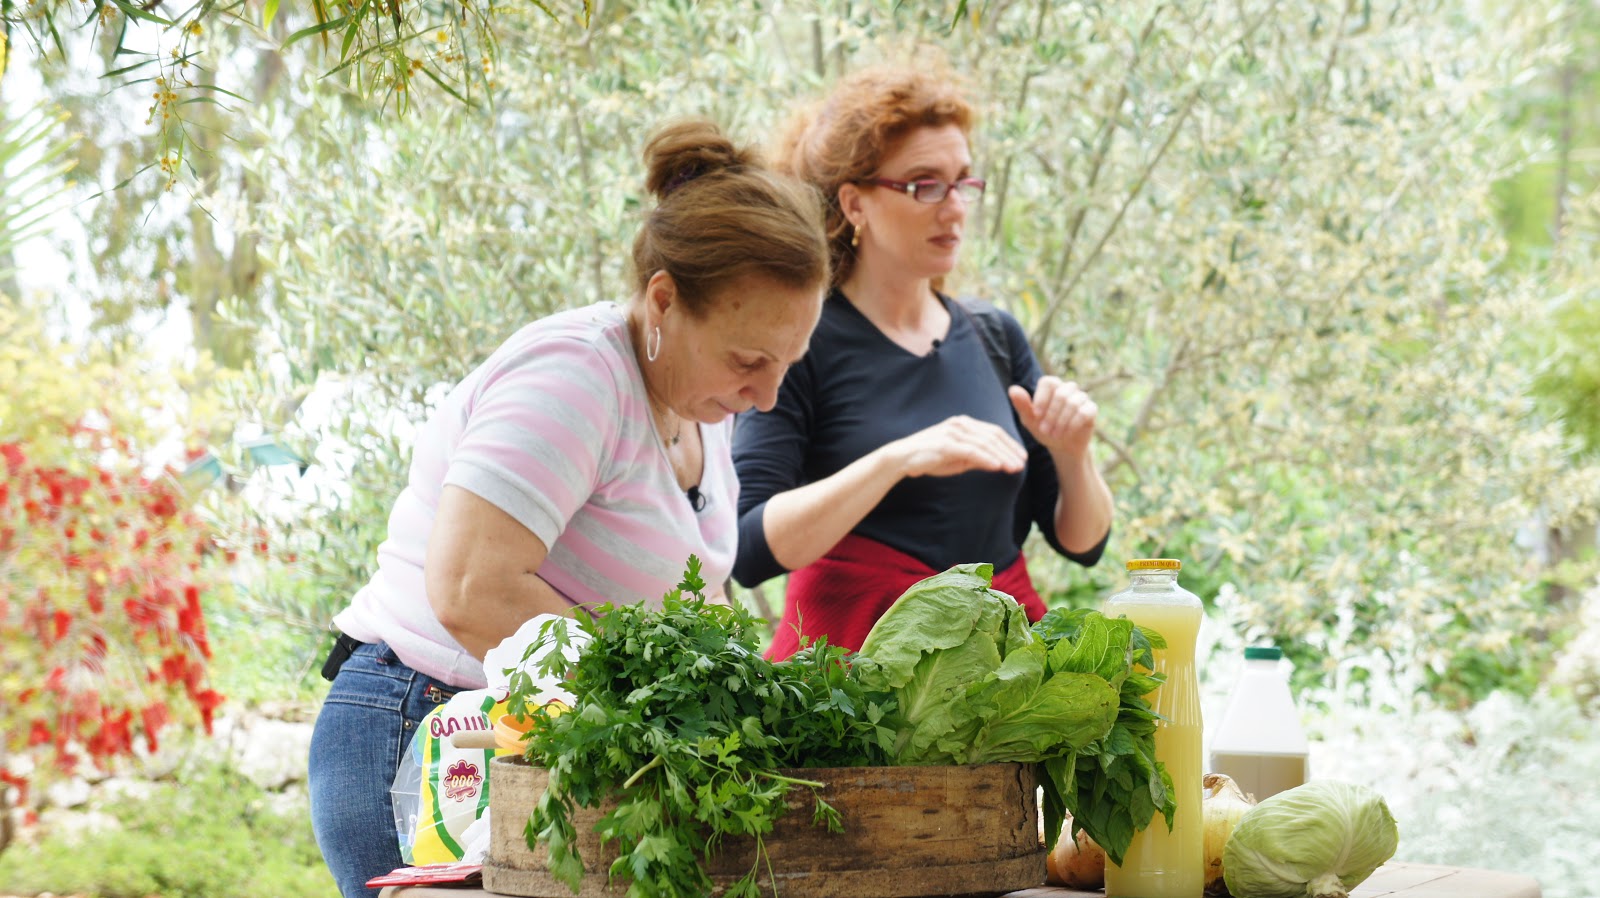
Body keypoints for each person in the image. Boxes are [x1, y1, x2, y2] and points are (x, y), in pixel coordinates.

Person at [308, 119, 829, 897]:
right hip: (434, 722)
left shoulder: (699, 407)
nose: (767, 394)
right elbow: (469, 589)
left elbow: (700, 600)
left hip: (542, 738)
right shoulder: (575, 378)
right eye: (749, 360)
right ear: (663, 301)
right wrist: (667, 699)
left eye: (787, 363)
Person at [732, 64, 1114, 660]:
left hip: (995, 676)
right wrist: (898, 459)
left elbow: (1083, 543)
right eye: (924, 185)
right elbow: (747, 546)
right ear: (855, 202)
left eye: (963, 182)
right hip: (848, 682)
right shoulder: (801, 340)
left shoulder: (995, 335)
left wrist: (1074, 454)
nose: (955, 208)